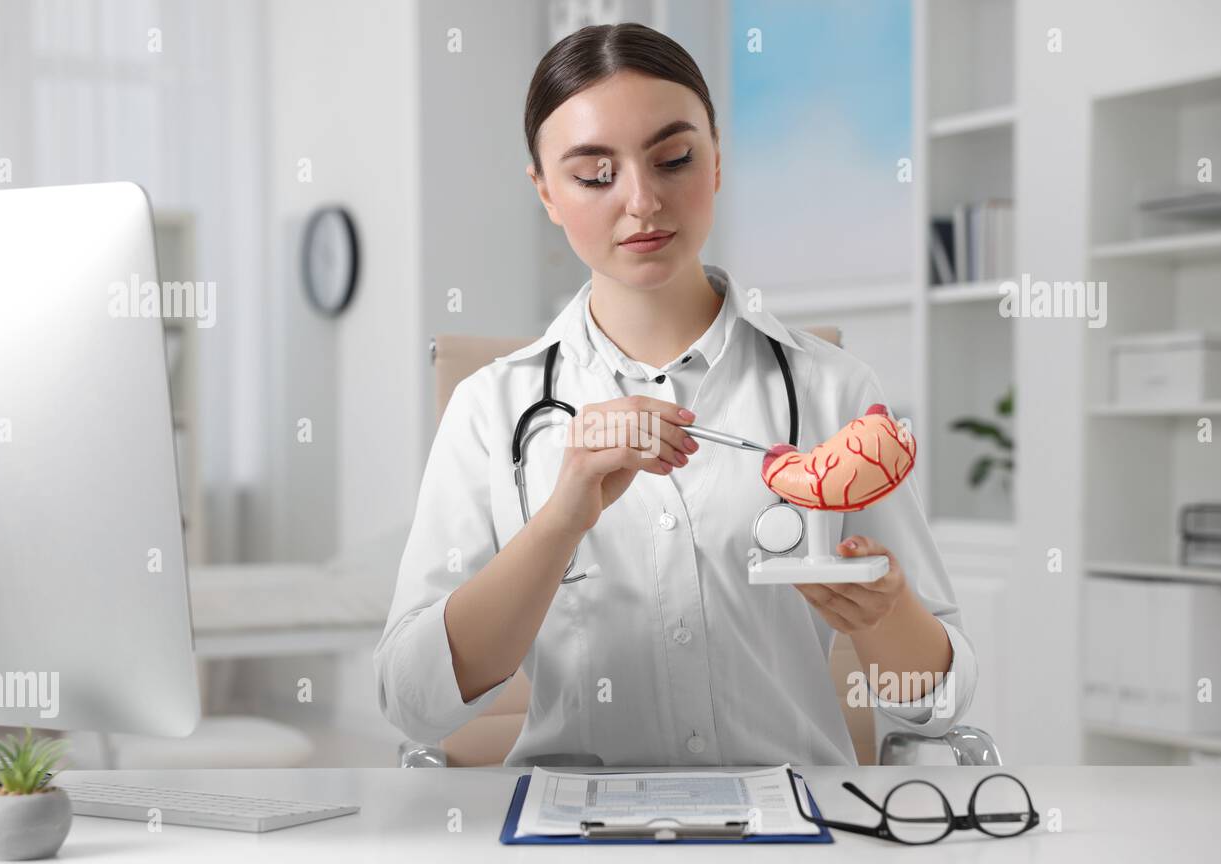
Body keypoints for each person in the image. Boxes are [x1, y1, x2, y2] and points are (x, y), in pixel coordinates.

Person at [375, 22, 976, 766]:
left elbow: (936, 703)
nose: (642, 201)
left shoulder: (833, 391)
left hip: (792, 832)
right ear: (545, 192)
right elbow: (413, 705)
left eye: (673, 159)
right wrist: (559, 521)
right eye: (595, 175)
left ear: (716, 160)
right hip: (573, 836)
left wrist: (887, 614)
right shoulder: (489, 410)